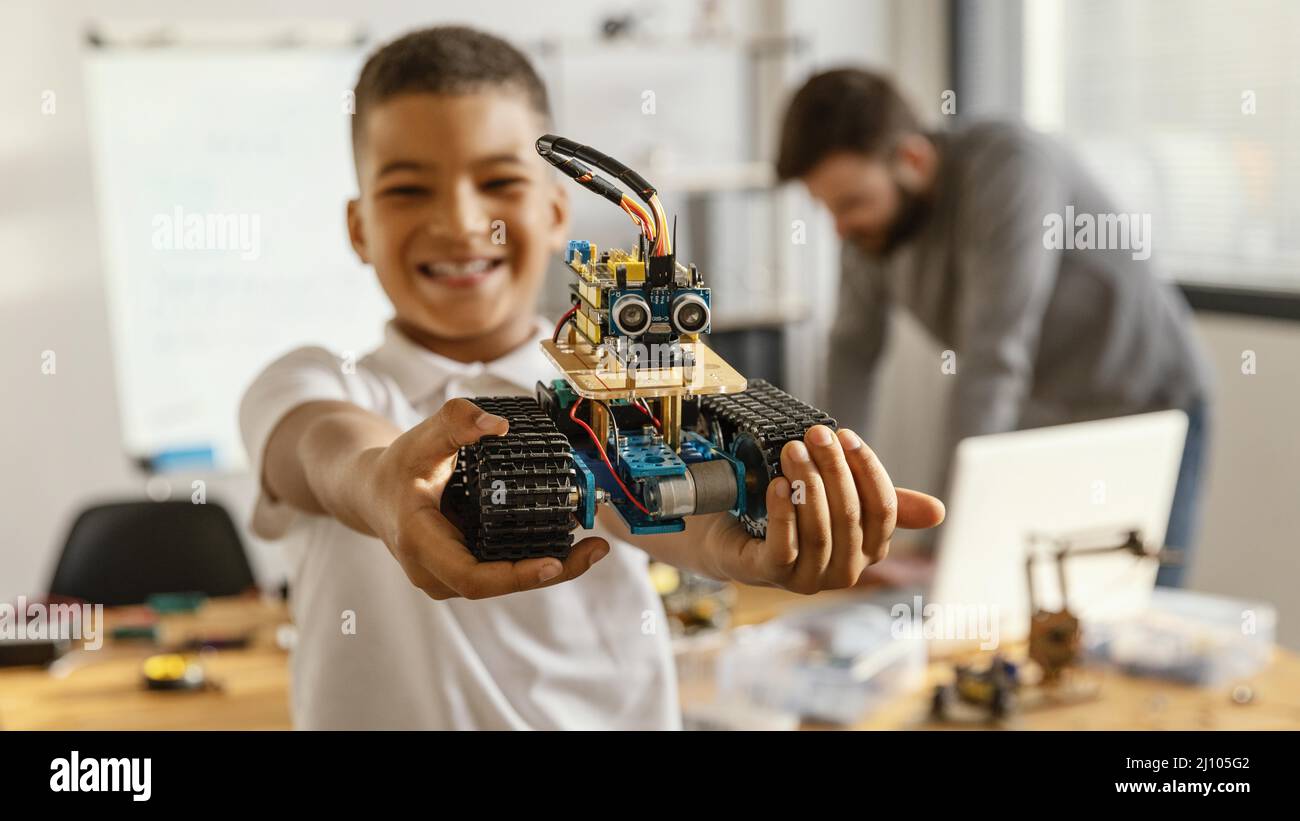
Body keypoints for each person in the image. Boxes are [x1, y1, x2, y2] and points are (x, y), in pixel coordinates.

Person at [239, 29, 945, 730]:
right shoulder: (314, 383)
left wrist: (746, 536)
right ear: (359, 229)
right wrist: (379, 481)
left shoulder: (604, 388)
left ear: (555, 213)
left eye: (499, 181)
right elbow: (321, 448)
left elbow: (654, 504)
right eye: (408, 188)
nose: (459, 222)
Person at [775, 69, 1212, 587]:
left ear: (911, 159)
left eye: (850, 203)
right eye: (827, 209)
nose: (840, 228)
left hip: (1147, 404)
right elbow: (852, 351)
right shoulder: (870, 232)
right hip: (1042, 414)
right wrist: (836, 501)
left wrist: (943, 541)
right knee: (1028, 607)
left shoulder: (1009, 170)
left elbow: (992, 360)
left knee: (1132, 613)